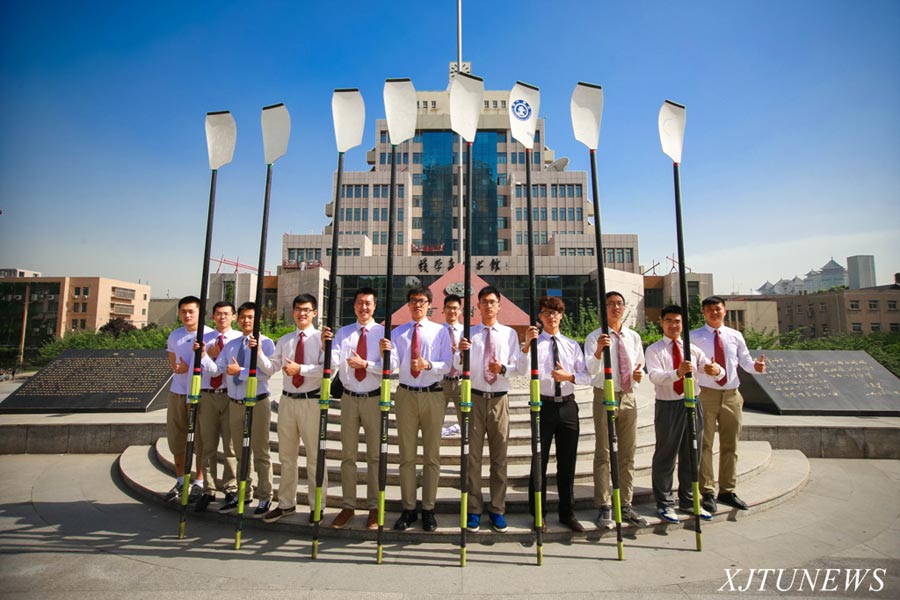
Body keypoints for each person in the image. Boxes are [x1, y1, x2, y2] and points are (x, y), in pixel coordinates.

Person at [380, 286, 452, 532]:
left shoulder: (440, 332)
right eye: (413, 301)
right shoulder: (399, 332)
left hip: (432, 395)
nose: (417, 305)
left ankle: (429, 509)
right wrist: (384, 354)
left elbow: (447, 364)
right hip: (406, 395)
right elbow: (391, 365)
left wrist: (427, 364)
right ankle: (409, 508)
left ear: (430, 304)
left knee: (432, 456)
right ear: (408, 305)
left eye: (422, 301)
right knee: (406, 456)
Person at [457, 285, 524, 533]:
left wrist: (503, 369)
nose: (488, 306)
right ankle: (474, 509)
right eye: (484, 302)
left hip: (499, 400)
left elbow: (519, 367)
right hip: (474, 399)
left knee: (499, 458)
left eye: (492, 301)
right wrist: (459, 353)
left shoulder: (509, 335)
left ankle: (497, 509)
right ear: (478, 306)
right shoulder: (470, 333)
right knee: (473, 458)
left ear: (499, 305)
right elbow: (456, 365)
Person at [645, 305, 721, 523]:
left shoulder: (693, 349)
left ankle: (688, 499)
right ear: (661, 322)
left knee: (692, 453)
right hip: (669, 405)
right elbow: (656, 376)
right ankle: (665, 502)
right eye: (669, 320)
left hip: (692, 403)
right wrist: (677, 373)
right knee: (666, 454)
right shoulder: (654, 350)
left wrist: (716, 371)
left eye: (677, 321)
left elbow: (712, 368)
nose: (673, 325)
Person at [691, 295, 766, 513]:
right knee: (704, 445)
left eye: (718, 309)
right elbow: (688, 364)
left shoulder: (735, 335)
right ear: (703, 313)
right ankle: (707, 491)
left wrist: (756, 367)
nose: (714, 312)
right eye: (710, 310)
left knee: (730, 444)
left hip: (732, 394)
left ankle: (728, 489)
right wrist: (703, 370)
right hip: (706, 394)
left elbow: (744, 360)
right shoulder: (694, 337)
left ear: (725, 310)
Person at [523, 296, 591, 532]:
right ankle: (538, 514)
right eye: (546, 313)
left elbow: (585, 376)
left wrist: (568, 377)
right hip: (543, 406)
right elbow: (521, 370)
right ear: (540, 317)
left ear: (561, 315)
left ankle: (567, 512)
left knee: (567, 462)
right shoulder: (535, 344)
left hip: (568, 406)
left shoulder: (571, 345)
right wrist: (525, 346)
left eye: (556, 312)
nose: (551, 317)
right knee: (539, 461)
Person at [202, 301, 276, 516]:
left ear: (259, 319)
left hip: (258, 401)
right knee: (241, 451)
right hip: (235, 404)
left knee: (261, 451)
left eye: (251, 317)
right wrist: (205, 355)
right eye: (243, 317)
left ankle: (265, 495)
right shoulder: (232, 344)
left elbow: (266, 373)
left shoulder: (267, 343)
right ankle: (245, 491)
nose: (246, 321)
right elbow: (217, 371)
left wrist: (241, 371)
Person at [584, 291, 648, 528]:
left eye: (618, 304)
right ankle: (604, 504)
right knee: (603, 452)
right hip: (604, 395)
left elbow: (638, 365)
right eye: (610, 304)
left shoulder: (633, 337)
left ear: (624, 308)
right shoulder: (595, 337)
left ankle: (626, 503)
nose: (615, 308)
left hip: (628, 396)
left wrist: (638, 376)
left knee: (627, 452)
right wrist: (600, 350)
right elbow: (589, 368)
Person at [262, 294, 328, 524]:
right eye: (298, 309)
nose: (302, 313)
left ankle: (316, 505)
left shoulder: (323, 339)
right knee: (287, 457)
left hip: (312, 401)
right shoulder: (285, 340)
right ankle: (285, 503)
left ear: (315, 313)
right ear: (293, 312)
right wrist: (257, 351)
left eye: (307, 310)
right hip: (288, 402)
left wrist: (301, 369)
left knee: (313, 457)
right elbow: (271, 367)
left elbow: (327, 370)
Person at [328, 287, 383, 530]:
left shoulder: (383, 333)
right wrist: (325, 346)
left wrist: (367, 364)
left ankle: (373, 507)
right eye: (360, 303)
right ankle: (348, 505)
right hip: (349, 398)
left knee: (374, 456)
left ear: (375, 306)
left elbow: (391, 368)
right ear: (354, 306)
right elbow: (331, 362)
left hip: (373, 399)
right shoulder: (344, 333)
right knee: (348, 456)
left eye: (368, 303)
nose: (364, 307)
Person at [163, 295, 212, 502]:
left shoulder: (210, 335)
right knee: (177, 438)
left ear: (200, 313)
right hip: (178, 391)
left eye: (191, 311)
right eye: (183, 311)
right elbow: (174, 364)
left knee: (200, 439)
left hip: (200, 394)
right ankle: (181, 479)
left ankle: (199, 481)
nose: (187, 315)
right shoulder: (175, 335)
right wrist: (179, 368)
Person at [194, 301, 242, 512]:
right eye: (218, 314)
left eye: (226, 314)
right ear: (213, 317)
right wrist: (205, 355)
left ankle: (230, 488)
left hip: (229, 395)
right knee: (208, 445)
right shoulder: (202, 340)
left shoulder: (239, 340)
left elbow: (233, 369)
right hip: (207, 396)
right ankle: (209, 489)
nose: (222, 317)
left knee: (230, 446)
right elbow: (200, 369)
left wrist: (214, 357)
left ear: (233, 317)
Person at [441, 293, 464, 429]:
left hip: (461, 381)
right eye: (449, 308)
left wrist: (460, 353)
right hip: (441, 381)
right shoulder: (437, 331)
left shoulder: (466, 331)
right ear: (443, 310)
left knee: (466, 420)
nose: (452, 311)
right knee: (436, 419)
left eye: (455, 308)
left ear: (460, 310)